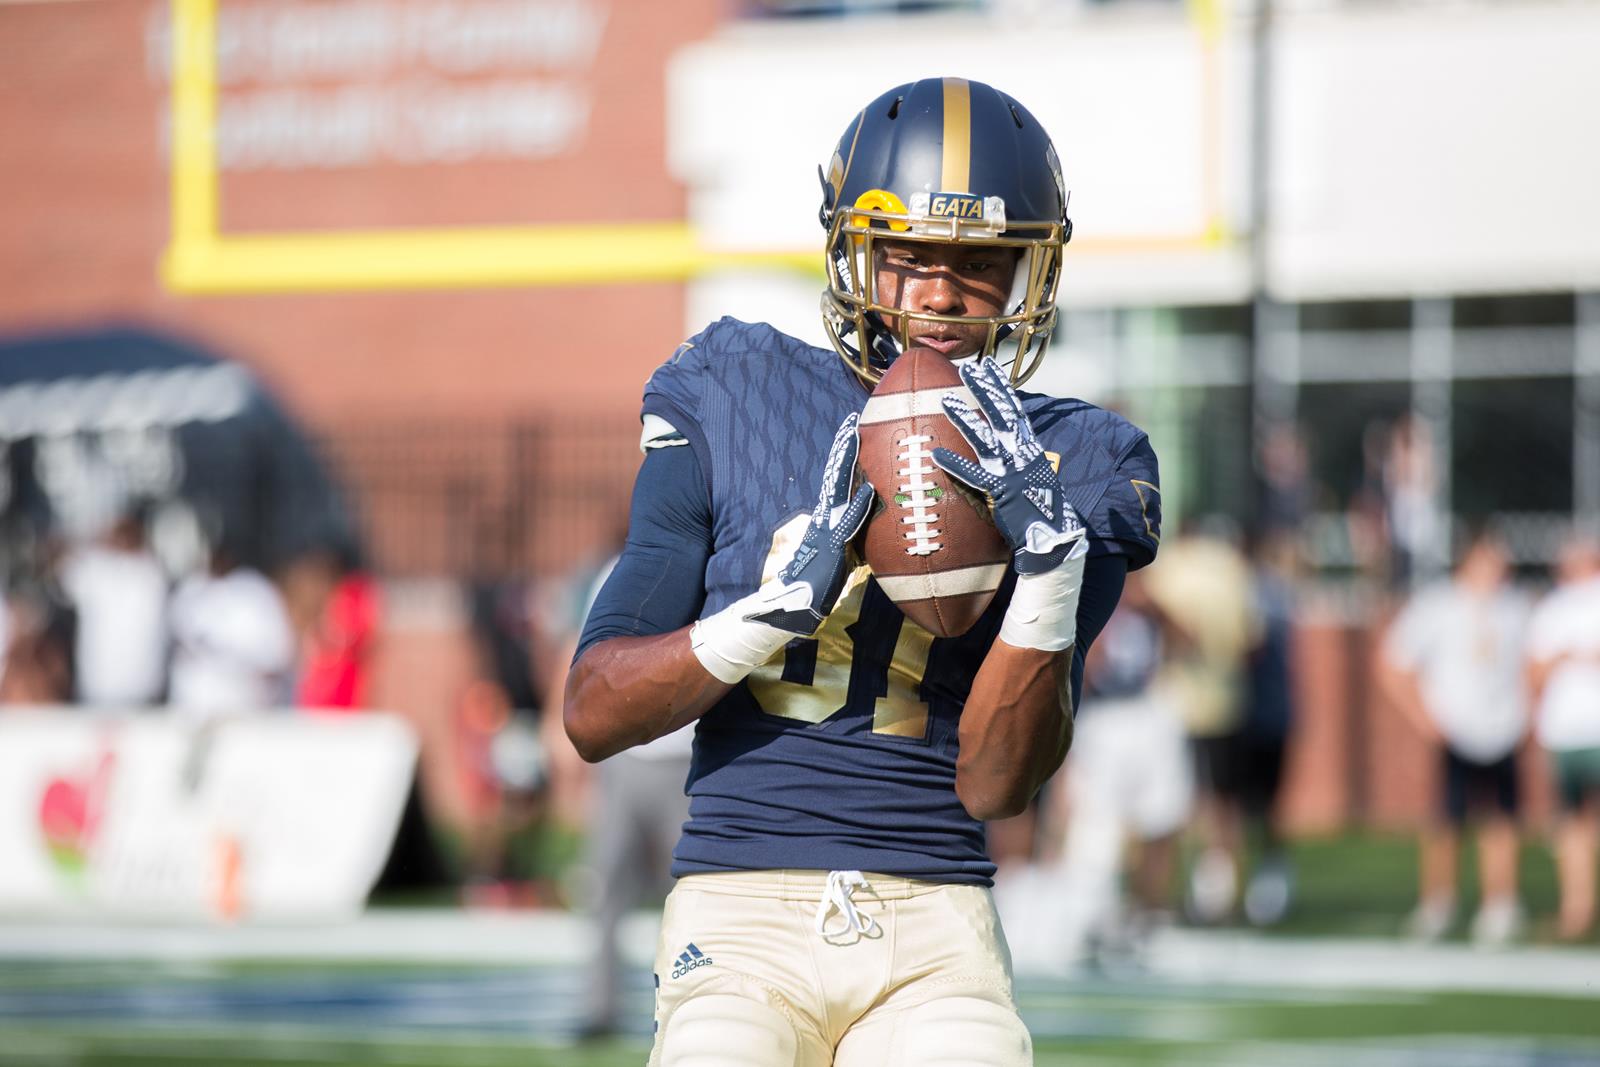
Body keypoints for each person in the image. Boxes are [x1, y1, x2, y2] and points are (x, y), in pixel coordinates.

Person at [564, 77, 1160, 1066]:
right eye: (911, 255)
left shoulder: (1082, 459)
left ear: (1030, 272)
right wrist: (771, 612)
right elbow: (594, 710)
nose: (940, 291)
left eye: (979, 261)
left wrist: (1050, 575)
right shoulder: (735, 389)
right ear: (857, 250)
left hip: (936, 923)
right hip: (740, 914)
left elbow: (999, 783)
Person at [1377, 525, 1531, 944]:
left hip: (1503, 729)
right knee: (1446, 821)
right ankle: (1438, 903)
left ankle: (1500, 904)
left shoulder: (1515, 607)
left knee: (1502, 819)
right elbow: (1393, 664)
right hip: (1455, 731)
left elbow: (1530, 664)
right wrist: (1424, 718)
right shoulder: (1438, 605)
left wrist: (1528, 714)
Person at [1525, 530, 1600, 941]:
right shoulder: (1552, 609)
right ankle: (1577, 909)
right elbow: (1533, 672)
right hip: (1564, 733)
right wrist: (1562, 657)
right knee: (1571, 825)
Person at [59, 503, 169, 709]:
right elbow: (64, 571)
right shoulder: (95, 569)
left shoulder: (151, 572)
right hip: (98, 686)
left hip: (143, 686)